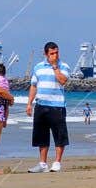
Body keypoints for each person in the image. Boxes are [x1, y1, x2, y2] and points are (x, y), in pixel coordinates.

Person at [27, 41, 71, 173]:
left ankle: (57, 162)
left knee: (59, 135)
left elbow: (63, 81)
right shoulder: (38, 67)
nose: (55, 55)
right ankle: (42, 164)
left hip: (57, 105)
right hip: (41, 105)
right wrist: (29, 103)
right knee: (41, 135)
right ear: (45, 54)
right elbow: (34, 85)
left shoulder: (64, 66)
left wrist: (55, 67)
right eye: (52, 53)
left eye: (57, 52)